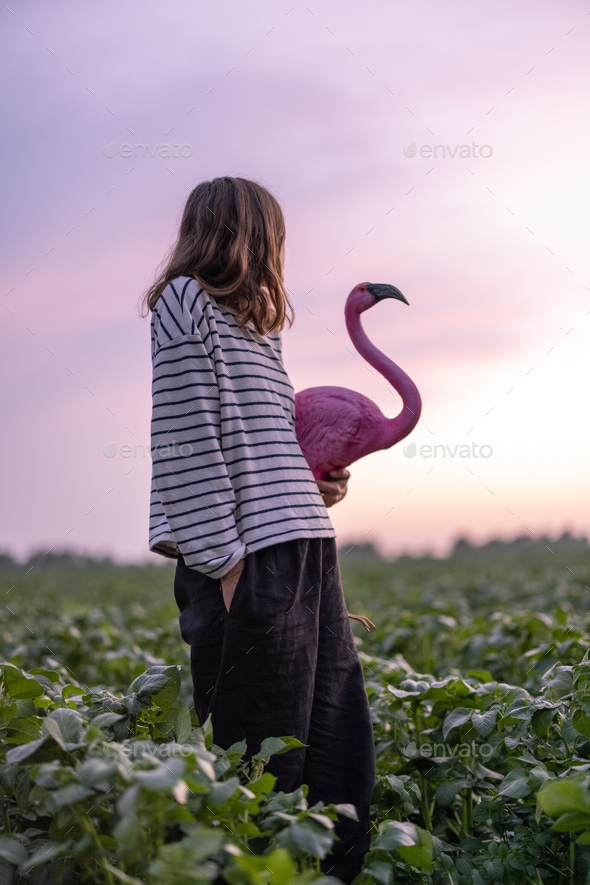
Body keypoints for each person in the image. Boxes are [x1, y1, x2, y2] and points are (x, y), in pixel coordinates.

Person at [142, 177, 375, 883]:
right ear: (239, 234)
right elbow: (188, 444)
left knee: (337, 746)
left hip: (302, 550)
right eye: (271, 237)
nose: (277, 255)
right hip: (247, 565)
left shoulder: (258, 329)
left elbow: (262, 447)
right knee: (263, 759)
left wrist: (316, 489)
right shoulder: (184, 304)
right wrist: (229, 571)